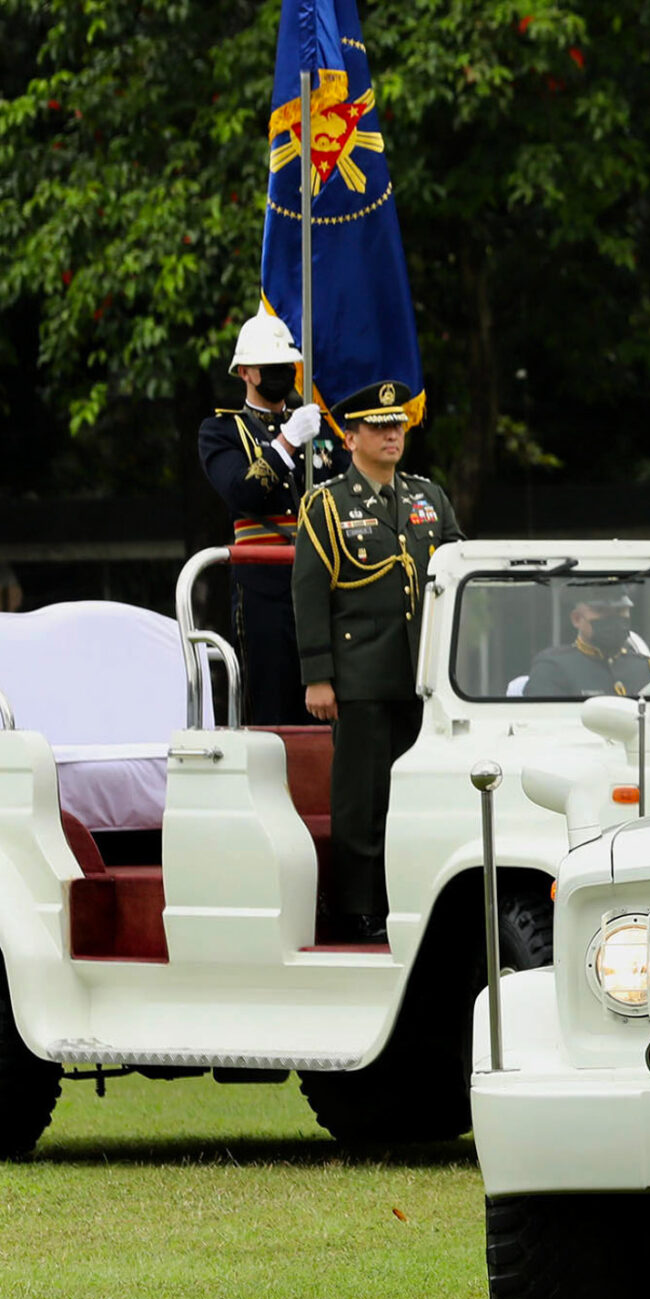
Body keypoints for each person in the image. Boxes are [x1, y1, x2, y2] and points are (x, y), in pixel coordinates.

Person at [292, 380, 464, 943]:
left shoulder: (427, 497)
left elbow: (461, 574)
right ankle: (357, 906)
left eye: (398, 425)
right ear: (350, 437)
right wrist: (318, 675)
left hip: (422, 677)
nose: (393, 434)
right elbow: (310, 591)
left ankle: (408, 899)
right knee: (363, 799)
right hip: (361, 674)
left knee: (417, 795)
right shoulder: (328, 503)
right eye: (379, 426)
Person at [196, 312, 328, 725]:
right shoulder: (222, 432)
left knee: (326, 708)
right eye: (270, 367)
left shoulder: (318, 429)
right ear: (246, 373)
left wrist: (308, 434)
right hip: (263, 591)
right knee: (272, 709)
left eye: (285, 366)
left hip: (321, 581)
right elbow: (242, 491)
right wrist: (287, 440)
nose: (281, 374)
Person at [525, 589, 650, 698]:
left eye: (620, 611)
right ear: (577, 619)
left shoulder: (648, 669)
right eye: (601, 611)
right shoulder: (552, 668)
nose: (613, 619)